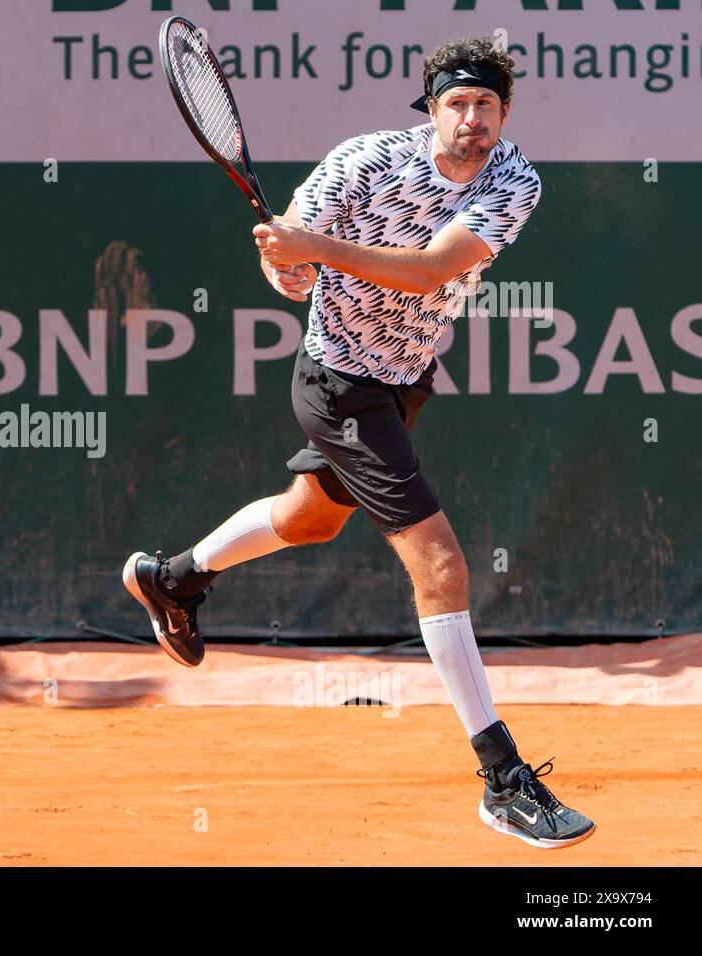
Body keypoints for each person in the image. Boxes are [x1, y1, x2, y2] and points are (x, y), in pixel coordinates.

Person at [123, 35, 595, 849]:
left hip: (405, 378)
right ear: (431, 107)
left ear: (505, 114)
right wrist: (290, 269)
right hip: (339, 381)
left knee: (310, 517)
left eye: (488, 104)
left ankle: (172, 580)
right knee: (441, 565)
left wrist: (317, 251)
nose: (473, 118)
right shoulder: (363, 160)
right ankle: (501, 777)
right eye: (457, 102)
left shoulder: (515, 179)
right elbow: (294, 252)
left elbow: (428, 270)